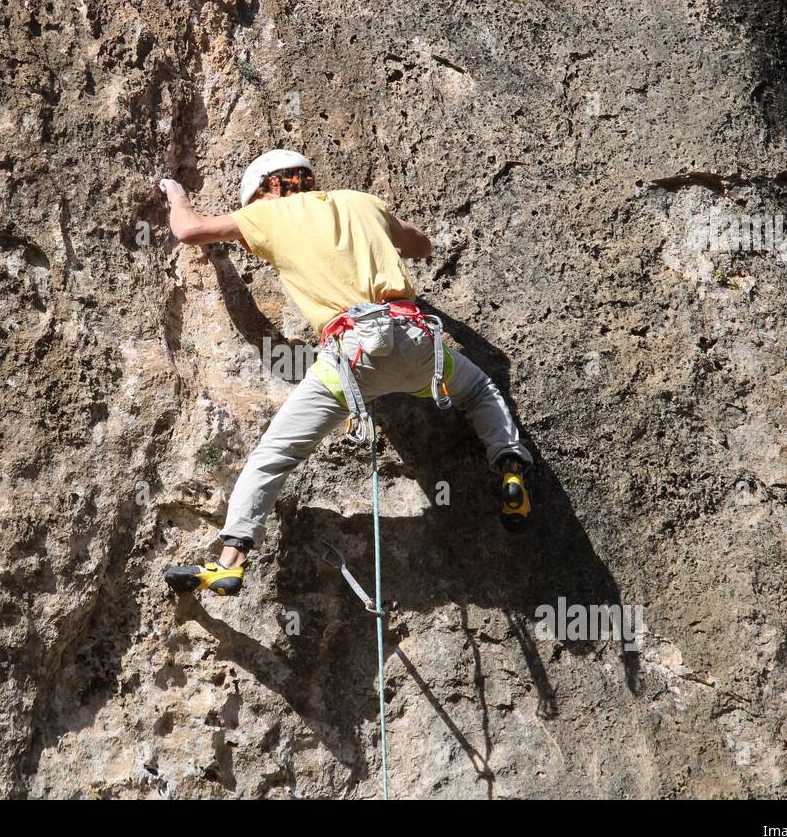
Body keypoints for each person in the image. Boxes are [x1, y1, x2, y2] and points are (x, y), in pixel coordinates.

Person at [157, 149, 533, 596]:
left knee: (274, 456)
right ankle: (511, 468)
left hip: (351, 356)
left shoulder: (270, 214)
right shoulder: (362, 201)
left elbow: (188, 230)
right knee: (479, 390)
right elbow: (422, 245)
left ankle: (229, 562)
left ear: (272, 186)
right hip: (418, 343)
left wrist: (175, 193)